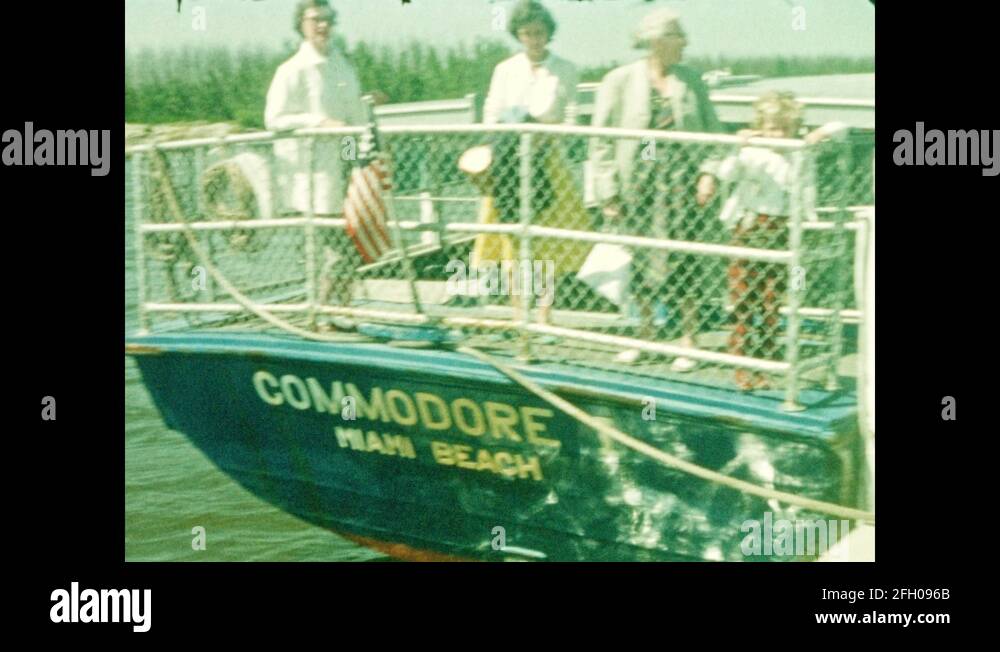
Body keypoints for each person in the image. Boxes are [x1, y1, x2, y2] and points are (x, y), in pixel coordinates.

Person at [587, 8, 722, 369]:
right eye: (678, 36)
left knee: (685, 260)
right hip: (638, 185)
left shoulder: (692, 80)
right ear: (657, 41)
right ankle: (644, 334)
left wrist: (709, 173)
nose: (686, 43)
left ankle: (688, 340)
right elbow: (600, 141)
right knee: (640, 261)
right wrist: (607, 192)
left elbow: (713, 135)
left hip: (682, 184)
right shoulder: (619, 80)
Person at [697, 91, 848, 389]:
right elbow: (727, 174)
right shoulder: (753, 153)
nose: (777, 134)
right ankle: (742, 365)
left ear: (793, 128)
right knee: (743, 299)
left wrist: (815, 135)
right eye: (771, 127)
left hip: (781, 231)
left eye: (783, 128)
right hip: (750, 228)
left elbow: (841, 127)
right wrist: (738, 147)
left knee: (771, 302)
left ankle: (764, 363)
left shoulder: (799, 152)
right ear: (760, 127)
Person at [469, 0, 591, 327]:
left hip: (547, 160)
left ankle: (544, 314)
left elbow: (572, 118)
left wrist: (548, 135)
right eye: (526, 33)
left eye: (539, 33)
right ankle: (518, 313)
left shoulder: (565, 68)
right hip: (508, 163)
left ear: (548, 33)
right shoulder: (505, 69)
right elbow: (491, 113)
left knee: (547, 241)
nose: (533, 39)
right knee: (511, 240)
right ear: (518, 35)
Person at [264, 1, 366, 309]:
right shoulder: (291, 70)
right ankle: (323, 313)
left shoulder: (342, 65)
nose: (323, 25)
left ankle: (342, 310)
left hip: (349, 166)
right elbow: (274, 118)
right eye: (316, 19)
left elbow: (354, 114)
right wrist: (317, 122)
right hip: (317, 175)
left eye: (328, 19)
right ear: (301, 24)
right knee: (337, 248)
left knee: (355, 245)